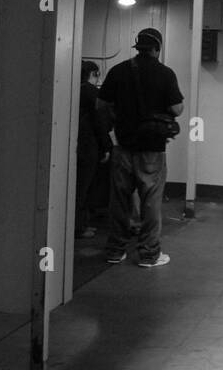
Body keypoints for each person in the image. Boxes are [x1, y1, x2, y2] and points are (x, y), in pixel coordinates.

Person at [100, 27, 183, 268]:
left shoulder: (119, 70)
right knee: (150, 201)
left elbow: (101, 103)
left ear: (138, 48)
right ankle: (149, 254)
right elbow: (177, 109)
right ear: (158, 48)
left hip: (122, 145)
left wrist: (118, 120)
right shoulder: (165, 73)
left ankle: (115, 250)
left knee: (119, 200)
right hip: (152, 149)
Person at [75, 61, 112, 240]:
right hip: (89, 145)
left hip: (77, 144)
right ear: (93, 73)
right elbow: (100, 122)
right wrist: (107, 146)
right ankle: (79, 227)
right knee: (84, 187)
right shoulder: (91, 92)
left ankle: (79, 224)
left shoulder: (74, 89)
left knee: (78, 185)